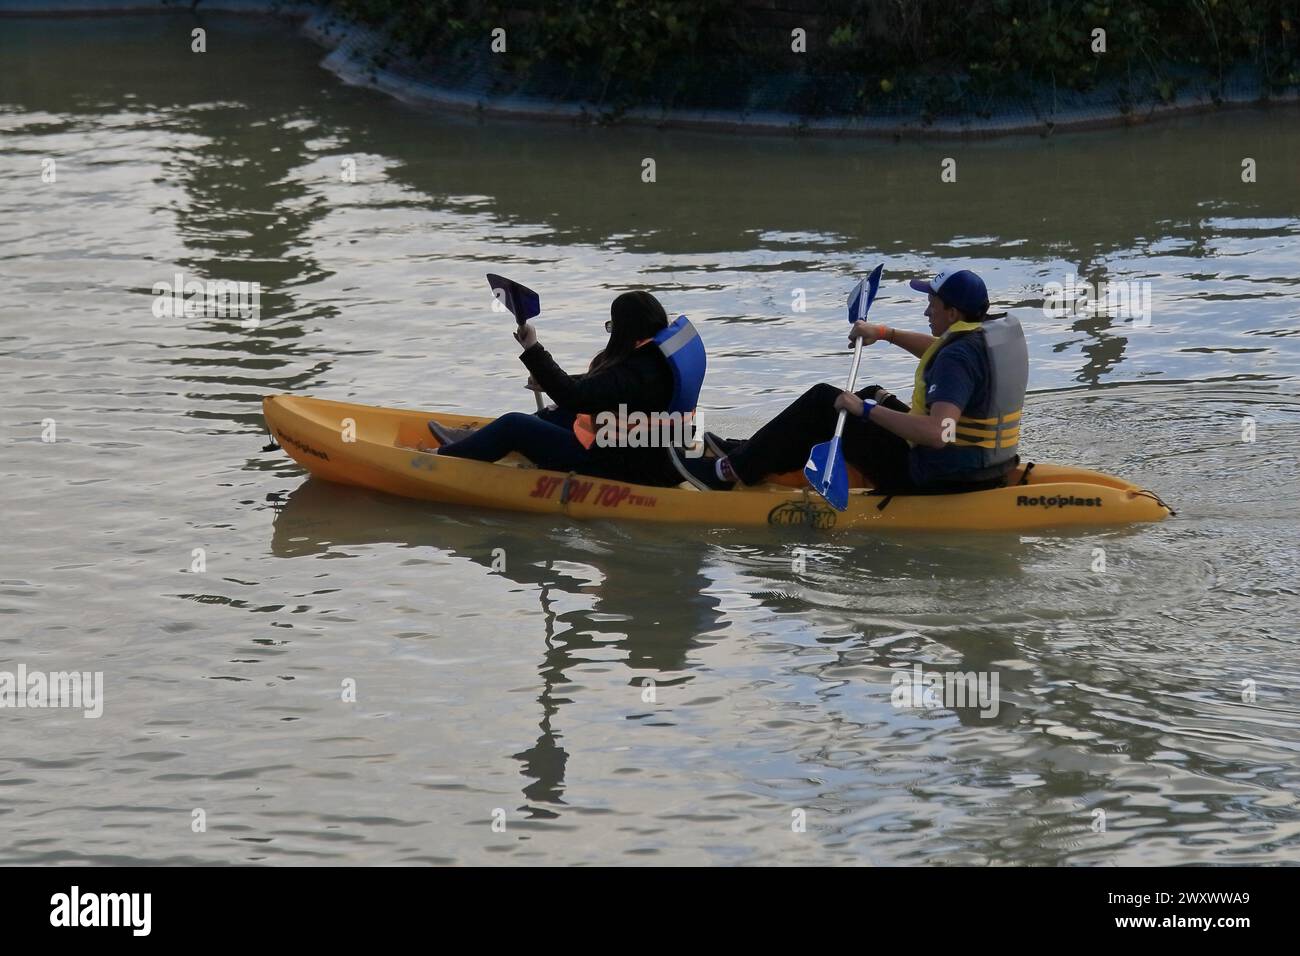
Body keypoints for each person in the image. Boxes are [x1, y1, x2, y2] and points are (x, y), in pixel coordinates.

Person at [686, 269, 1028, 494]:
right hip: (983, 464)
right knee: (869, 393)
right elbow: (942, 354)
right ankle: (750, 451)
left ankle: (726, 472)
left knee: (826, 400)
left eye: (932, 305)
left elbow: (938, 433)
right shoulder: (985, 336)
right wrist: (885, 333)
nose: (927, 313)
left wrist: (863, 411)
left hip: (936, 475)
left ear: (952, 313)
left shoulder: (958, 356)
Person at [432, 291, 707, 487]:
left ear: (624, 330)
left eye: (612, 327)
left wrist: (533, 349)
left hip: (628, 466)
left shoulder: (634, 372)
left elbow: (576, 396)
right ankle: (473, 441)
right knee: (557, 412)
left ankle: (438, 462)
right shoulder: (655, 356)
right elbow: (597, 388)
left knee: (513, 425)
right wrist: (547, 376)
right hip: (654, 453)